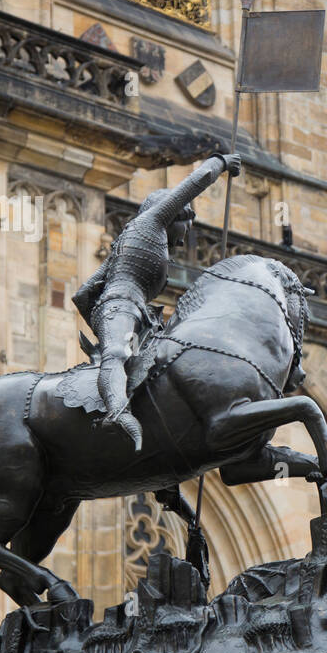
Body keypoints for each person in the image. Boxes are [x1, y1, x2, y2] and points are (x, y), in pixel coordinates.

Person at [73, 152, 242, 449]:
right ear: (174, 215)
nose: (186, 235)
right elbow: (197, 180)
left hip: (140, 316)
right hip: (122, 305)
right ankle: (116, 412)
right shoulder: (149, 224)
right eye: (186, 225)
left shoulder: (124, 245)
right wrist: (223, 162)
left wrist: (99, 325)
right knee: (117, 352)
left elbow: (84, 294)